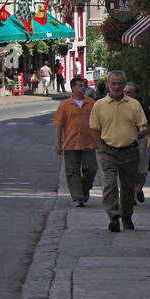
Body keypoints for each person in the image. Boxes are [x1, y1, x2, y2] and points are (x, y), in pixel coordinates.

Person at [89, 69, 149, 232]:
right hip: (108, 150)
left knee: (128, 187)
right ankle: (114, 216)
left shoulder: (134, 105)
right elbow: (94, 129)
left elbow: (143, 125)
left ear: (124, 85)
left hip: (130, 151)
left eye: (119, 83)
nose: (116, 86)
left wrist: (142, 130)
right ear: (108, 85)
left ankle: (126, 216)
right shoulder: (99, 105)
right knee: (109, 184)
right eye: (113, 83)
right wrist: (99, 148)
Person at [54, 76, 98, 207]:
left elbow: (98, 123)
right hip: (71, 143)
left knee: (91, 168)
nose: (83, 88)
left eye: (84, 86)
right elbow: (60, 125)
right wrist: (58, 143)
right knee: (72, 171)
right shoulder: (65, 105)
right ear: (73, 88)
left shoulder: (91, 104)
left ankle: (85, 188)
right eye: (80, 86)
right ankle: (78, 196)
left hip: (89, 142)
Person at [125, 82, 150, 203]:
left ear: (136, 94)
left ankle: (138, 189)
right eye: (125, 92)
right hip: (125, 142)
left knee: (141, 171)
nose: (126, 95)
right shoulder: (120, 106)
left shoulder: (142, 107)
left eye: (129, 93)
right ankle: (131, 196)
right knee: (128, 170)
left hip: (140, 141)